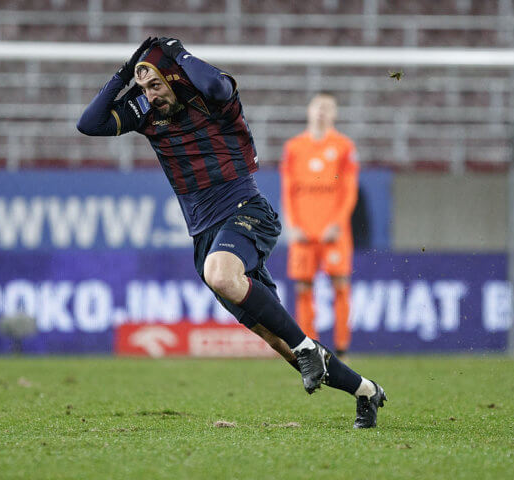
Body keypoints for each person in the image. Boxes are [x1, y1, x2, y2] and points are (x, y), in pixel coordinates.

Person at [77, 37, 386, 428]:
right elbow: (88, 124)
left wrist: (179, 53)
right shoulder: (146, 112)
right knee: (279, 339)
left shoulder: (212, 100)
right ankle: (365, 391)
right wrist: (125, 73)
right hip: (205, 234)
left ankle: (307, 347)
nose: (150, 95)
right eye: (144, 88)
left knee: (221, 274)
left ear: (174, 76)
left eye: (156, 84)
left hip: (246, 211)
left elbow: (217, 84)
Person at [279, 92, 359, 360]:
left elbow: (349, 191)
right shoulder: (294, 147)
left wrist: (337, 223)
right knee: (303, 289)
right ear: (309, 110)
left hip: (334, 232)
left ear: (335, 113)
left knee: (340, 286)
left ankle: (342, 350)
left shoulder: (344, 146)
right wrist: (291, 224)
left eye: (328, 107)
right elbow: (287, 190)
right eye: (318, 106)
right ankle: (310, 352)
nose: (322, 112)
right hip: (303, 231)